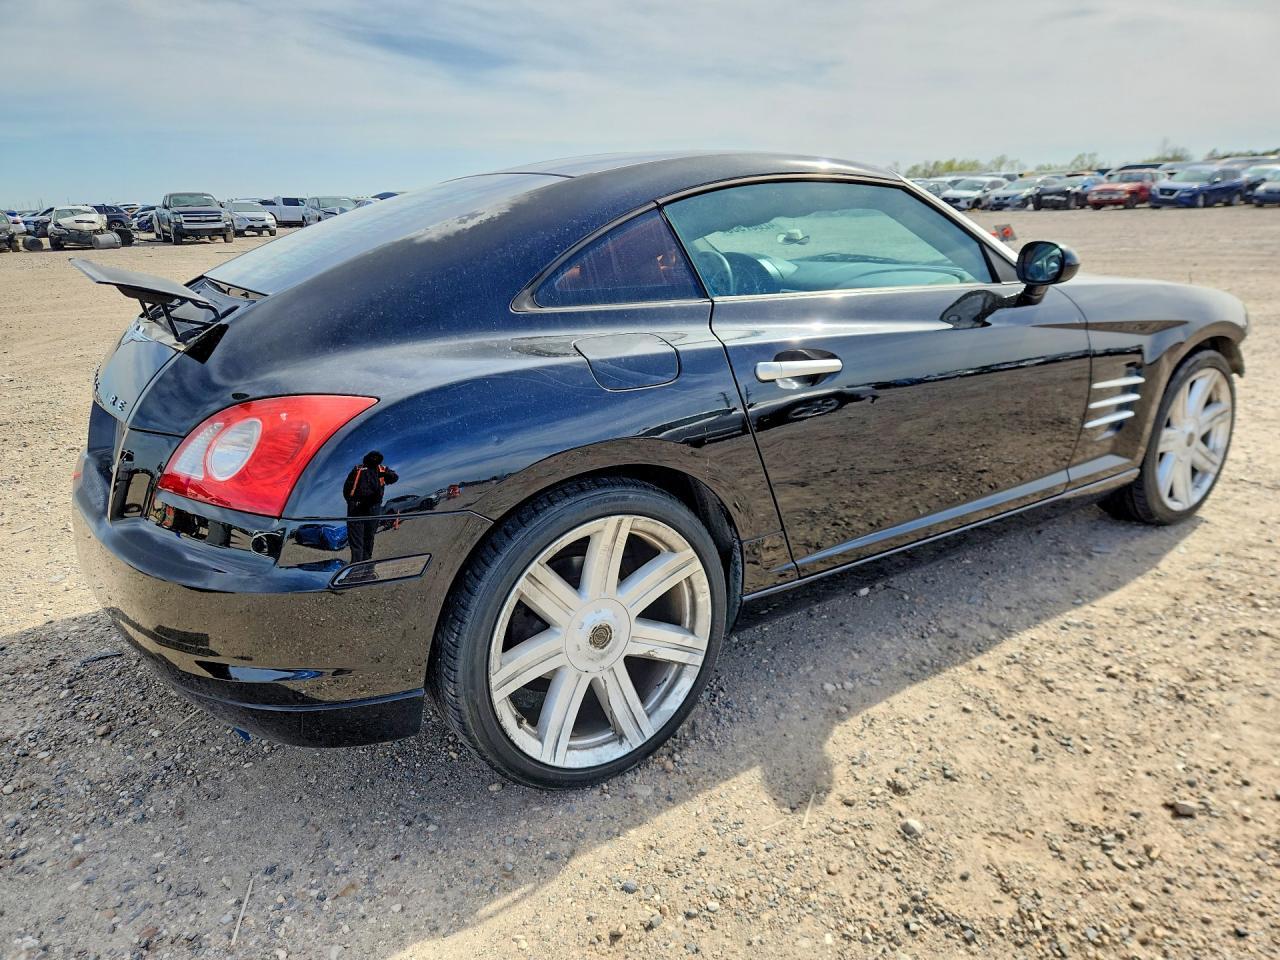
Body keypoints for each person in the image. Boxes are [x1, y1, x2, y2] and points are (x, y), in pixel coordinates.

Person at [343, 451, 398, 566]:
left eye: (376, 457)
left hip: (373, 507)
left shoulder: (382, 469)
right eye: (372, 457)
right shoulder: (358, 469)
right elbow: (347, 489)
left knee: (369, 536)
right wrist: (352, 502)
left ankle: (366, 564)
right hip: (357, 507)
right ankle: (357, 566)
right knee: (357, 539)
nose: (374, 459)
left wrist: (388, 474)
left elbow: (394, 478)